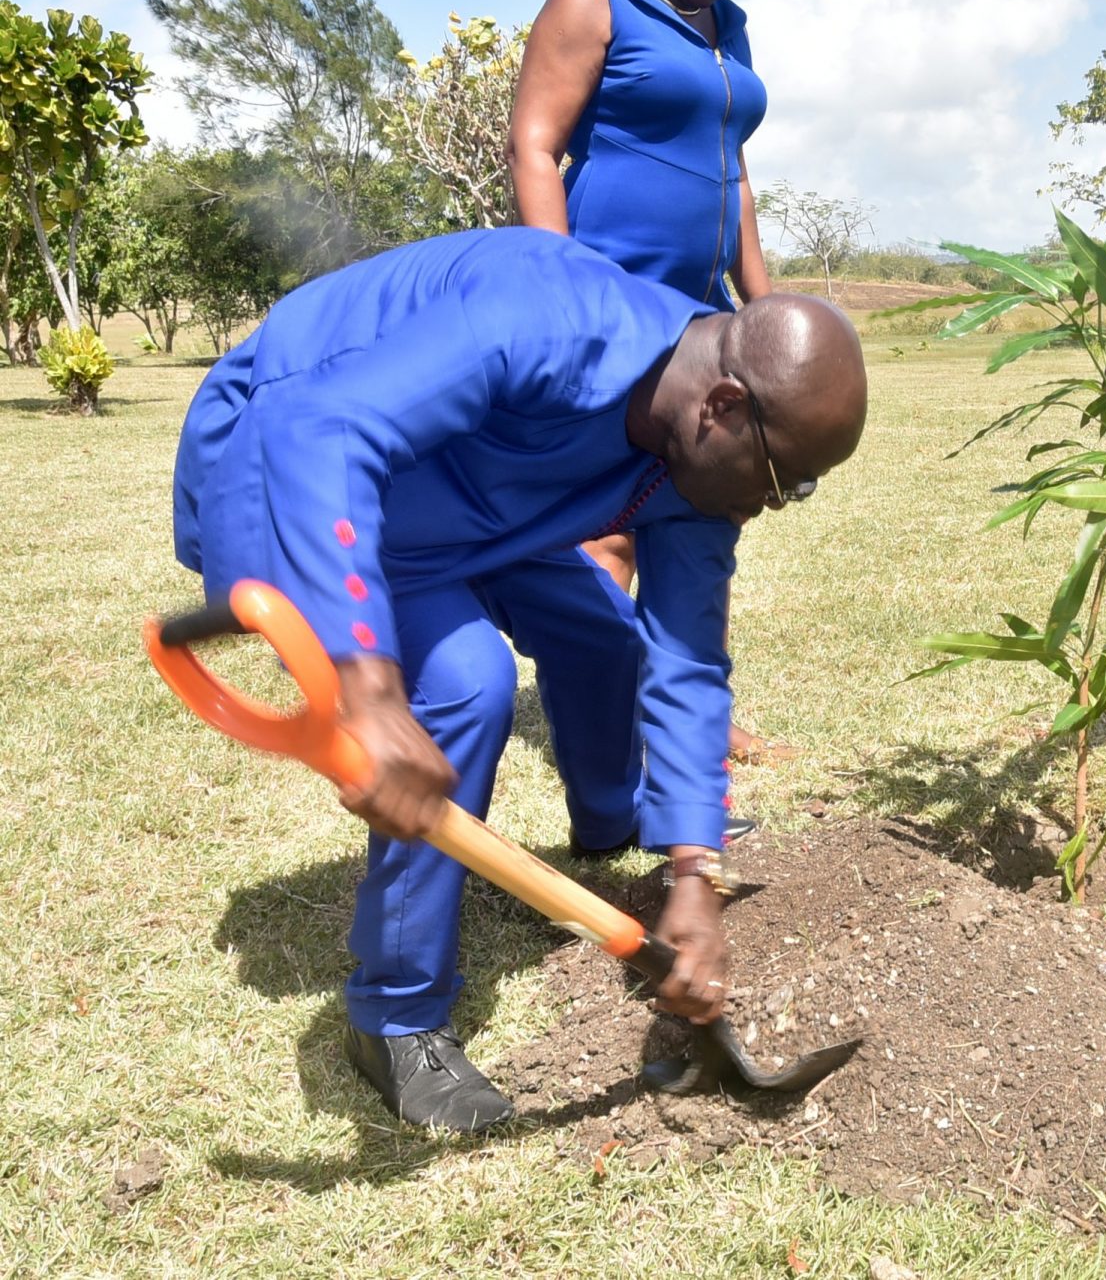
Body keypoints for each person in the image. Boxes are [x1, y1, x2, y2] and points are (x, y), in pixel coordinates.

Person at [172, 227, 867, 1129]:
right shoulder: (547, 323)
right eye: (785, 481)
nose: (772, 505)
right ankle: (394, 1016)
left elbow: (687, 657)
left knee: (605, 637)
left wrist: (693, 867)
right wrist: (369, 687)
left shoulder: (694, 468)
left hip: (460, 494)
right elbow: (325, 427)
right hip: (291, 455)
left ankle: (614, 821)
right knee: (465, 681)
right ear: (723, 406)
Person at [507, 0, 785, 770]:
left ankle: (691, 707)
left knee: (701, 511)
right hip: (609, 306)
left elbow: (732, 167)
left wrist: (767, 310)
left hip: (700, 319)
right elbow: (536, 143)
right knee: (613, 529)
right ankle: (612, 712)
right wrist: (563, 292)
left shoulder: (730, 27)